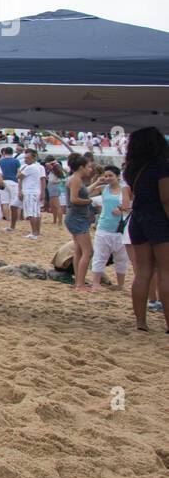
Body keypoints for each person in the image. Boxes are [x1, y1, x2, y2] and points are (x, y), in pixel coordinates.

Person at [124, 127, 169, 332]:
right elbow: (166, 199)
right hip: (159, 219)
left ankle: (141, 322)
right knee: (166, 273)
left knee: (142, 273)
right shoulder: (162, 166)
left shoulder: (132, 168)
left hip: (138, 220)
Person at [90, 165, 129, 291]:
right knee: (99, 256)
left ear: (118, 176)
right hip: (103, 227)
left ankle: (120, 285)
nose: (108, 178)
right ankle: (95, 283)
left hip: (120, 229)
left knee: (121, 259)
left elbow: (131, 206)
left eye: (110, 176)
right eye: (106, 176)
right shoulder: (103, 189)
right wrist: (97, 181)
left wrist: (121, 209)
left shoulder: (125, 189)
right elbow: (85, 192)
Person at [64, 153, 95, 293]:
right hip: (77, 218)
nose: (90, 170)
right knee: (88, 251)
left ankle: (78, 281)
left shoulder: (75, 179)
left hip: (76, 217)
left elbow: (82, 193)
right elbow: (74, 199)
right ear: (81, 167)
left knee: (79, 250)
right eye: (88, 167)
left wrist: (97, 184)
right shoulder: (76, 179)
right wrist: (89, 202)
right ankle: (80, 284)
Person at [17, 147, 45, 239]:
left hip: (30, 192)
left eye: (27, 158)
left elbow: (19, 176)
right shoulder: (37, 167)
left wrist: (20, 170)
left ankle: (34, 233)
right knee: (35, 213)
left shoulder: (30, 167)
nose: (25, 160)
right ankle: (36, 232)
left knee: (31, 213)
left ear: (33, 158)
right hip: (34, 191)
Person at [0, 145, 22, 231]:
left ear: (4, 153)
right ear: (12, 153)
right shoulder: (16, 161)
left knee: (5, 202)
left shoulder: (0, 161)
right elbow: (19, 172)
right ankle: (17, 219)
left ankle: (7, 218)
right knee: (15, 202)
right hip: (13, 181)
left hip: (3, 181)